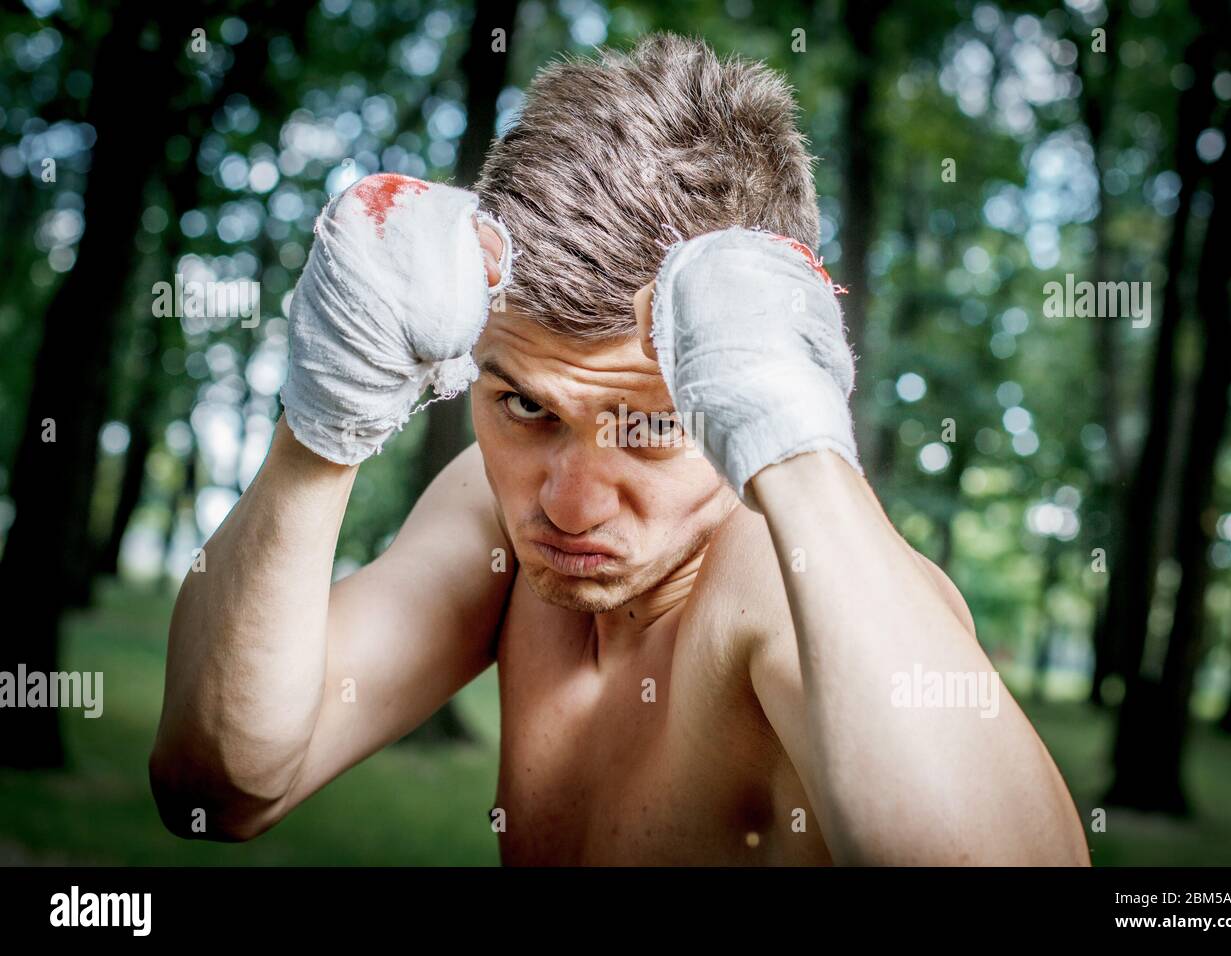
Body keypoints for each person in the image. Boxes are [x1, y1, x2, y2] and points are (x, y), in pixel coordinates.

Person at [149, 32, 1090, 866]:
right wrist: (325, 419)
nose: (567, 503)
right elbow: (221, 789)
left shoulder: (783, 577)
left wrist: (797, 452)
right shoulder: (489, 509)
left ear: (746, 381)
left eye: (650, 425)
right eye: (524, 406)